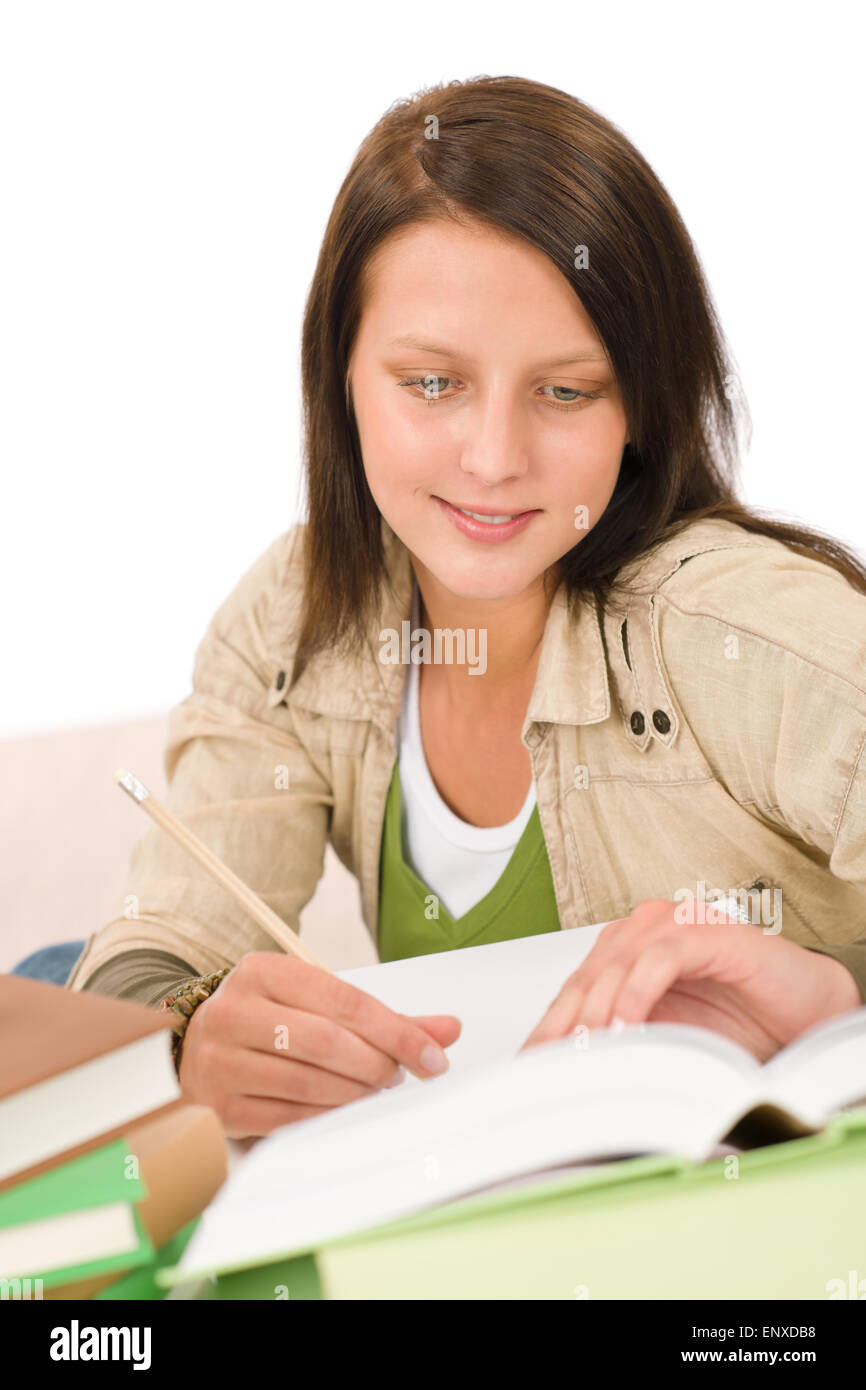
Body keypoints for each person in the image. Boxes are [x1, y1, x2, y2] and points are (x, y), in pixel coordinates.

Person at [32, 75, 866, 1139]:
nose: (492, 460)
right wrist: (185, 1034)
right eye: (431, 383)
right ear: (337, 377)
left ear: (642, 404)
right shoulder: (291, 623)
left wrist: (836, 1008)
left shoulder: (748, 634)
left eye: (566, 391)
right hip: (467, 1191)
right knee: (54, 983)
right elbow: (161, 943)